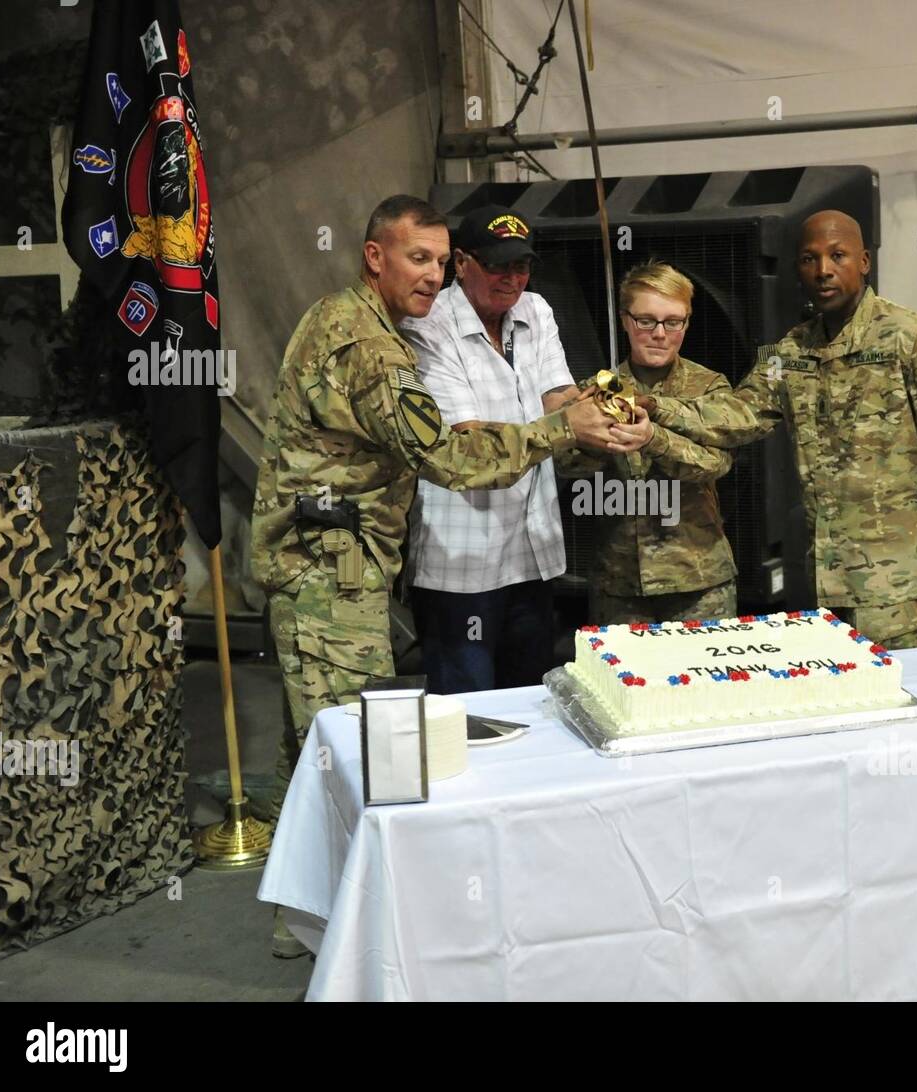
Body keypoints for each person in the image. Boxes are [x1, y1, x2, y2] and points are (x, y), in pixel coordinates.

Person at [250, 194, 649, 956]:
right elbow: (454, 457)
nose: (431, 276)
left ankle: (298, 913)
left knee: (312, 740)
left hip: (339, 566)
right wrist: (562, 428)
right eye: (418, 259)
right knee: (358, 749)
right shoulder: (373, 349)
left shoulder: (358, 319)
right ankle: (364, 935)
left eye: (437, 259)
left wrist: (581, 417)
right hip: (330, 576)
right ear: (376, 257)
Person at [626, 210, 917, 648]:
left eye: (838, 255)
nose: (823, 270)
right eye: (810, 259)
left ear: (864, 262)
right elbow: (735, 414)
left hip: (897, 591)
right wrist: (657, 406)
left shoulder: (911, 339)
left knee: (898, 708)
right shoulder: (792, 351)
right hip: (822, 586)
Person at [398, 205, 578, 693]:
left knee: (532, 700)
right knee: (467, 712)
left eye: (521, 266)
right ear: (462, 262)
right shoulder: (426, 326)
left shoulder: (536, 310)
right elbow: (469, 442)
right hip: (461, 559)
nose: (513, 278)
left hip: (533, 546)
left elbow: (558, 395)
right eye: (498, 265)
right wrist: (569, 424)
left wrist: (605, 410)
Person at [557, 260, 738, 624]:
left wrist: (653, 438)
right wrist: (599, 436)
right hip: (619, 581)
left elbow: (714, 464)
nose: (660, 333)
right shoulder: (598, 388)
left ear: (687, 322)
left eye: (673, 322)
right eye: (646, 321)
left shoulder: (709, 387)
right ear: (625, 320)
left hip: (698, 579)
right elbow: (565, 465)